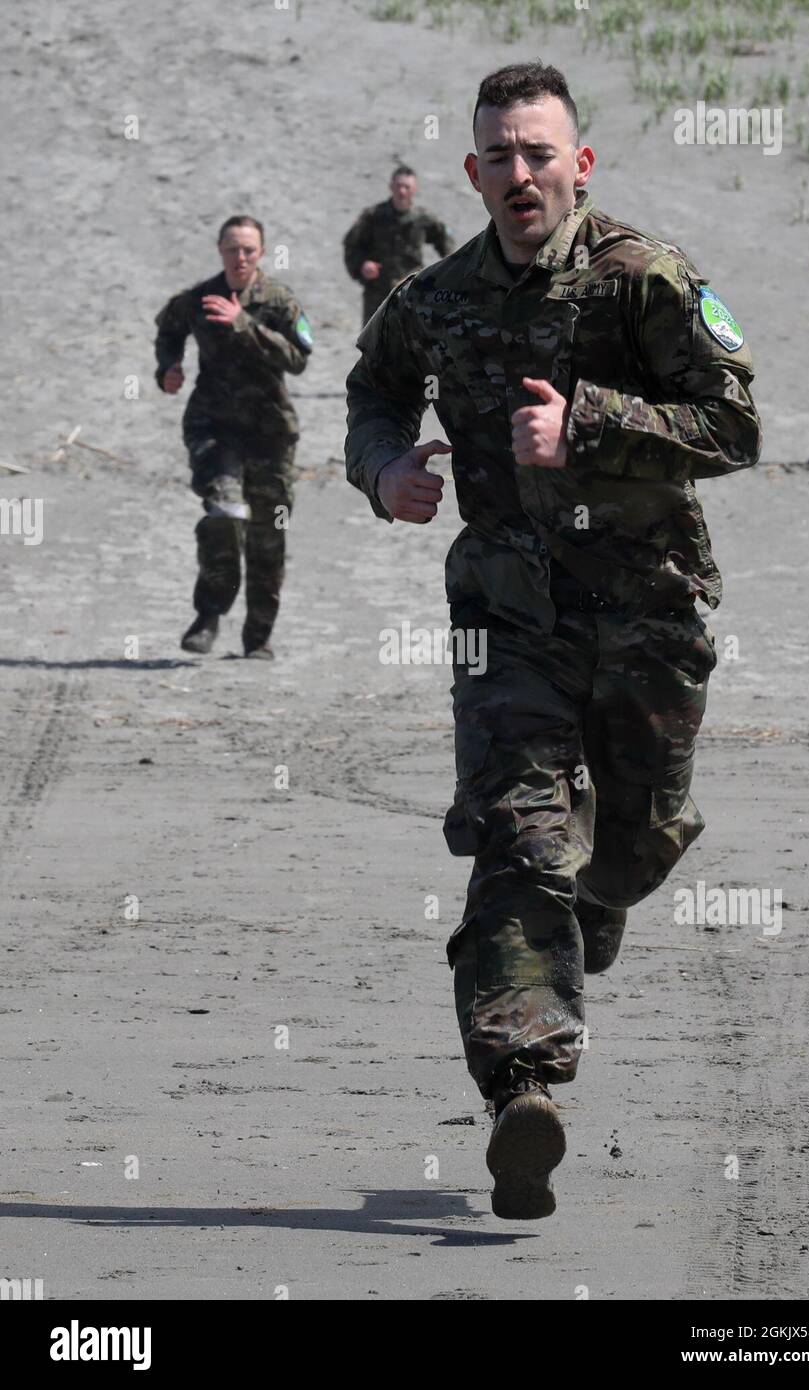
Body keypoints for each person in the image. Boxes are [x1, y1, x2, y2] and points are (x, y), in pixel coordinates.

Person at [345, 62, 761, 1220]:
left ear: (576, 165)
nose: (517, 173)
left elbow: (733, 421)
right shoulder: (434, 299)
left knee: (631, 841)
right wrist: (382, 469)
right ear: (472, 171)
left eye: (538, 153)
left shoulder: (643, 279)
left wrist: (585, 421)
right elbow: (370, 390)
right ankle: (522, 1085)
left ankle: (602, 885)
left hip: (644, 611)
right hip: (504, 622)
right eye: (498, 155)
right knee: (519, 843)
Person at [154, 215, 313, 658]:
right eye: (231, 249)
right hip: (214, 427)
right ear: (220, 250)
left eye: (248, 249)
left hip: (270, 434)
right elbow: (168, 327)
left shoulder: (279, 301)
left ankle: (258, 638)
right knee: (224, 512)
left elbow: (299, 357)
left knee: (268, 534)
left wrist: (245, 322)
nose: (240, 257)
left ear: (261, 252)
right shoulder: (200, 297)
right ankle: (208, 615)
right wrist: (168, 367)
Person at [343, 165, 454, 325]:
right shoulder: (373, 216)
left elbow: (446, 242)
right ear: (391, 187)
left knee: (412, 343)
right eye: (398, 186)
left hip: (412, 292)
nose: (402, 191)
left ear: (414, 189)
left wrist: (446, 272)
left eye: (407, 187)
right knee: (374, 344)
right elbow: (351, 245)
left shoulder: (422, 218)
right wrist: (362, 265)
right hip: (377, 294)